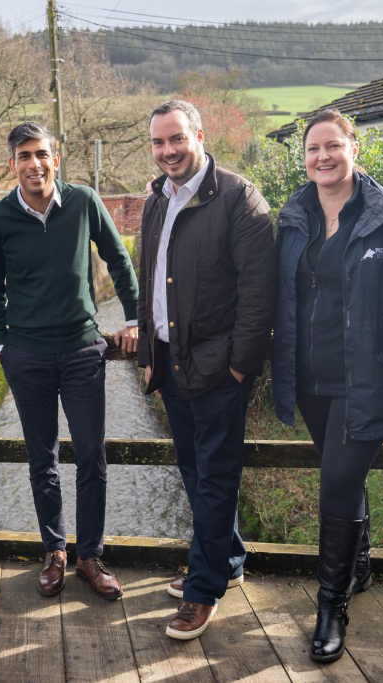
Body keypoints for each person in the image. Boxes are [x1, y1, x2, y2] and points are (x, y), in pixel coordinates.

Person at [271, 109, 383, 662]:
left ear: (354, 149)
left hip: (369, 377)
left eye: (332, 146)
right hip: (310, 377)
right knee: (343, 475)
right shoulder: (293, 216)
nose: (322, 158)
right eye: (313, 149)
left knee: (337, 479)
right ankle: (359, 566)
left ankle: (331, 604)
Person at [0, 122, 138, 600]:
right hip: (27, 355)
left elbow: (119, 259)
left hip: (82, 349)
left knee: (92, 455)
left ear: (56, 157)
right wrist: (4, 345)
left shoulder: (85, 201)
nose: (34, 164)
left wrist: (133, 320)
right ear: (13, 164)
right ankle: (54, 551)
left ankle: (90, 555)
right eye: (24, 156)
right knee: (41, 459)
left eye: (41, 154)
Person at [138, 100, 276, 640]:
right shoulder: (156, 199)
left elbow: (259, 294)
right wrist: (148, 347)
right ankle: (225, 561)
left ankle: (203, 591)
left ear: (198, 134)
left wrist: (240, 366)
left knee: (215, 479)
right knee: (196, 473)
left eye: (176, 139)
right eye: (158, 142)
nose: (168, 151)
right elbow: (150, 275)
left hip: (220, 369)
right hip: (172, 364)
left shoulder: (239, 198)